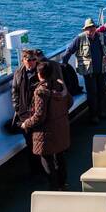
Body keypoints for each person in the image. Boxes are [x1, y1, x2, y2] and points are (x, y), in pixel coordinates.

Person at [20, 60, 72, 189]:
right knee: (60, 157)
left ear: (39, 74)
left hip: (46, 133)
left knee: (47, 160)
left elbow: (39, 116)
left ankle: (53, 186)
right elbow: (69, 102)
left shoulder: (41, 92)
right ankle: (63, 183)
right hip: (61, 128)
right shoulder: (60, 86)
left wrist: (26, 123)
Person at [65, 19, 106, 124]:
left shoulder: (100, 36)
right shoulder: (79, 39)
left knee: (101, 92)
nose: (91, 30)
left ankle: (101, 112)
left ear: (95, 28)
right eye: (88, 28)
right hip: (89, 72)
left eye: (92, 27)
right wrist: (64, 63)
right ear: (85, 29)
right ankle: (93, 116)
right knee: (92, 94)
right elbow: (69, 50)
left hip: (101, 70)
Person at [10, 48, 43, 173]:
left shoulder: (41, 72)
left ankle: (44, 169)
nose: (31, 62)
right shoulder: (18, 73)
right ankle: (34, 170)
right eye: (28, 60)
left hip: (38, 113)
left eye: (34, 59)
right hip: (24, 115)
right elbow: (14, 91)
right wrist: (17, 109)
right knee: (29, 143)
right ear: (23, 60)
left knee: (40, 142)